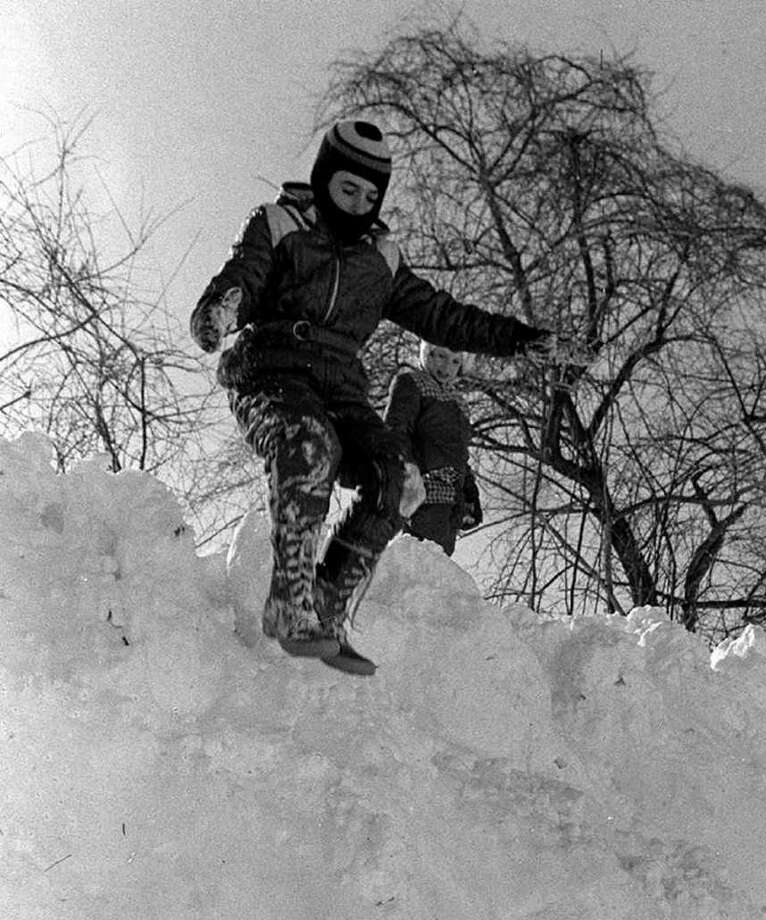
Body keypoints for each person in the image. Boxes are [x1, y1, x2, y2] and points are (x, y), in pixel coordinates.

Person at [190, 118, 546, 674]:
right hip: (272, 374)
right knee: (310, 446)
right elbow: (245, 274)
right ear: (324, 179)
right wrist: (221, 309)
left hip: (340, 388)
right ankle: (290, 599)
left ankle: (327, 606)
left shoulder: (381, 259)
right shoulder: (281, 224)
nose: (357, 203)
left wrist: (523, 341)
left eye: (369, 196)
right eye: (347, 189)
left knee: (401, 479)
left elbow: (445, 317)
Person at [384, 341, 481, 558]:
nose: (447, 367)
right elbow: (396, 430)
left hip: (452, 496)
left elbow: (458, 453)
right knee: (422, 557)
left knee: (440, 561)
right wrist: (406, 471)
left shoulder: (459, 402)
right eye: (441, 356)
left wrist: (469, 491)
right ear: (427, 353)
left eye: (455, 362)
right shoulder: (412, 382)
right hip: (423, 487)